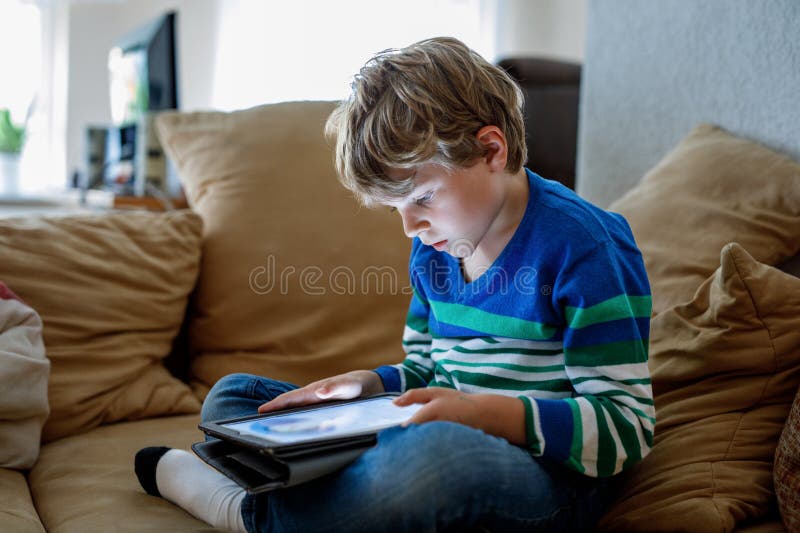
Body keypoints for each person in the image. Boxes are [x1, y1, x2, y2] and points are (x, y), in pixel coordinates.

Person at [134, 36, 654, 533]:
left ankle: (248, 512)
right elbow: (428, 370)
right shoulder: (436, 246)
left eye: (422, 198)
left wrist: (478, 416)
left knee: (436, 456)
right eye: (395, 209)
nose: (410, 227)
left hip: (546, 484)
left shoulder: (585, 247)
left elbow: (623, 430)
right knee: (236, 399)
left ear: (491, 150)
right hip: (432, 443)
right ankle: (353, 501)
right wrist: (369, 386)